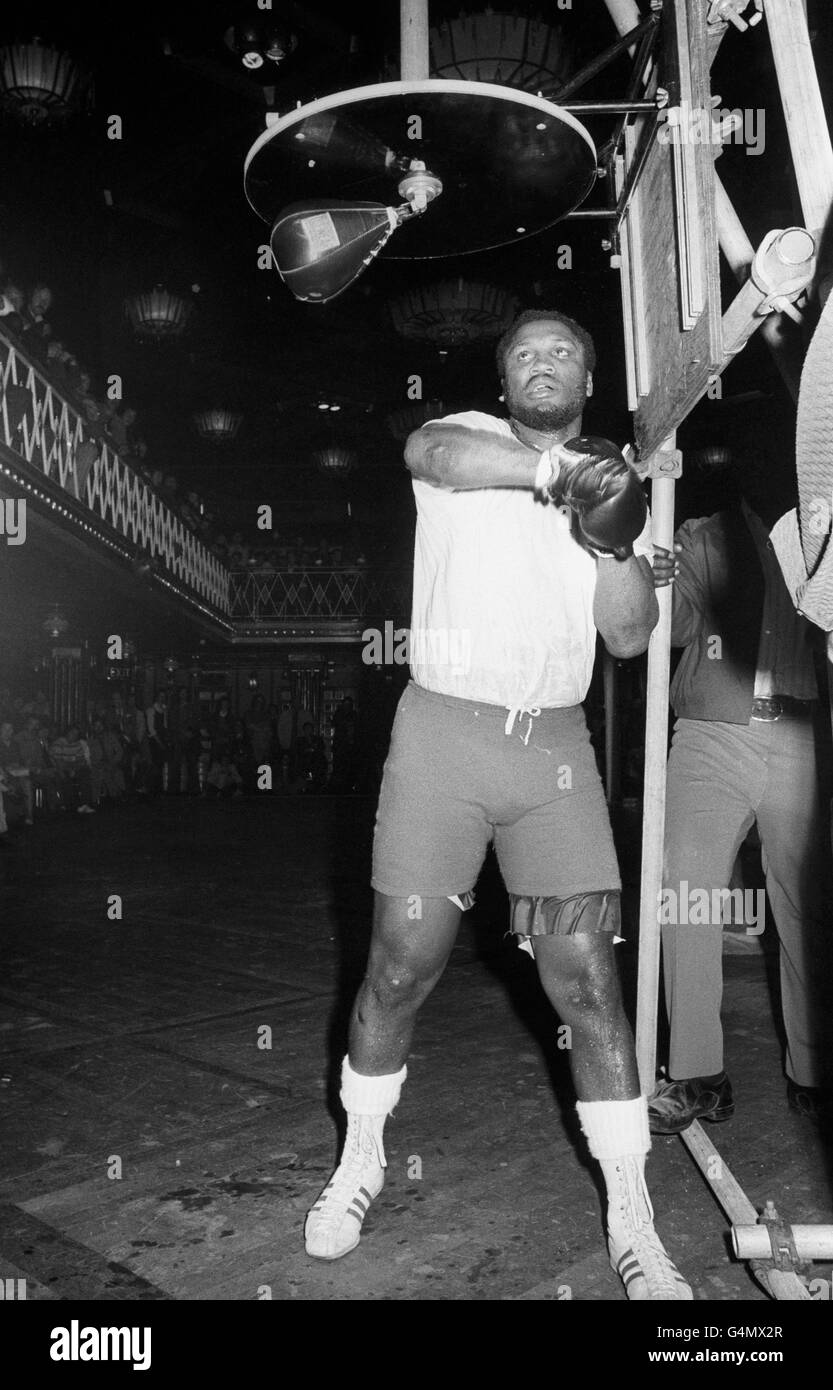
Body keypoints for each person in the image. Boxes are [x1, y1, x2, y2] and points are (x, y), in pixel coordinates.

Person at [304, 309, 692, 1301]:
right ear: (504, 376)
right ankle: (360, 1160)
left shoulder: (618, 486)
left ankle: (632, 1219)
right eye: (524, 352)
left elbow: (624, 640)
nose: (542, 363)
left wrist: (613, 542)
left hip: (552, 753)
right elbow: (422, 445)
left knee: (587, 983)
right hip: (441, 734)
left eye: (561, 352)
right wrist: (556, 478)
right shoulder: (464, 445)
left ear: (588, 374)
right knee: (399, 965)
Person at [650, 454, 833, 1133]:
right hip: (709, 736)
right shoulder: (703, 536)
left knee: (805, 906)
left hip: (802, 734)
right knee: (685, 894)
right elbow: (665, 634)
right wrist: (655, 585)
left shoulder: (822, 537)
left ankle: (813, 1072)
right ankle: (697, 1074)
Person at [49, 726, 95, 812]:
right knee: (64, 778)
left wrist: (74, 768)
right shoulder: (58, 743)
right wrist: (70, 768)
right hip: (59, 769)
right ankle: (69, 805)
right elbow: (59, 763)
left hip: (72, 768)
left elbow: (81, 760)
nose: (75, 736)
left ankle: (85, 804)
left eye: (77, 734)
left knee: (85, 773)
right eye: (73, 733)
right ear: (67, 733)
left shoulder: (78, 744)